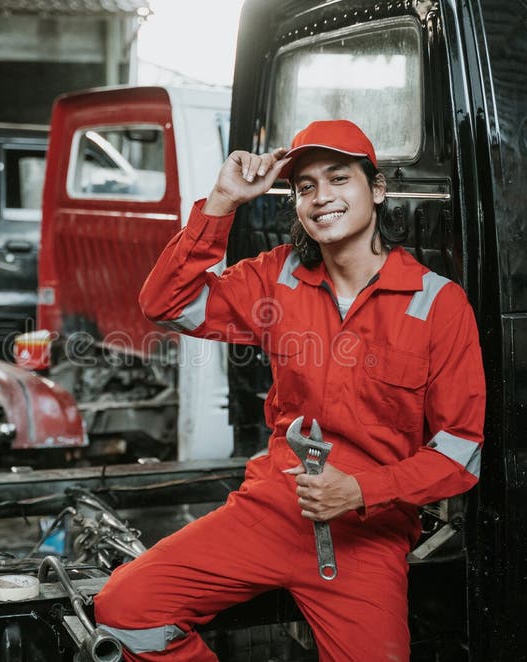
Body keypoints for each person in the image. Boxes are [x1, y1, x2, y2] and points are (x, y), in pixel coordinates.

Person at [94, 120, 486, 662]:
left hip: (365, 538)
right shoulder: (277, 278)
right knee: (127, 607)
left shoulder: (438, 303)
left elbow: (460, 451)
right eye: (305, 187)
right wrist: (224, 202)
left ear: (376, 189)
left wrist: (362, 491)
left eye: (339, 178)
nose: (321, 197)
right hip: (272, 512)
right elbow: (167, 304)